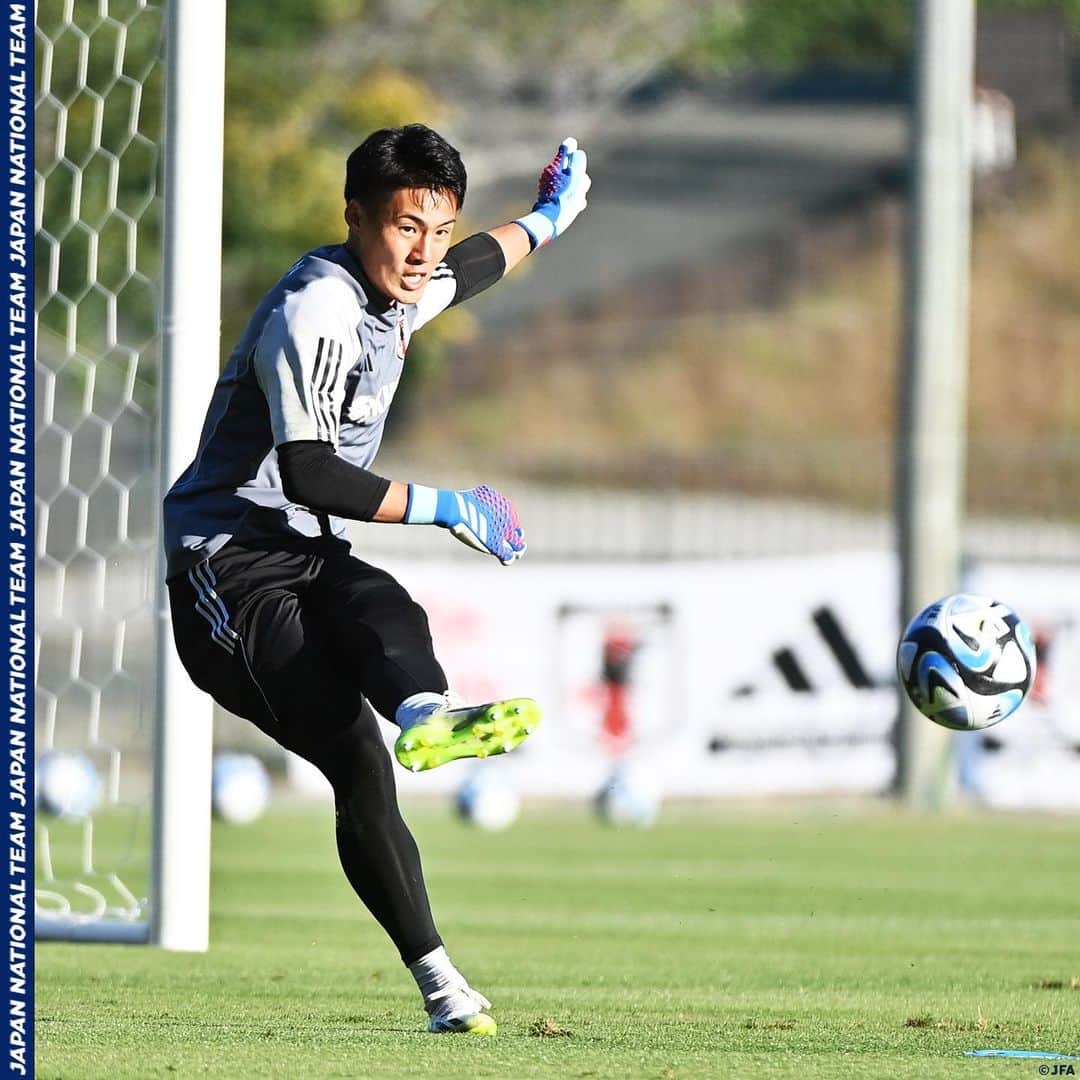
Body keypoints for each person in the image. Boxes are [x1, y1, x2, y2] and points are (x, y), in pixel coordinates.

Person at [162, 124, 591, 1035]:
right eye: (404, 227)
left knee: (381, 603)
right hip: (225, 570)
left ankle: (428, 715)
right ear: (356, 218)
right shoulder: (312, 308)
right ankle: (440, 980)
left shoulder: (402, 286)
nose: (422, 250)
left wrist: (550, 217)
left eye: (435, 228)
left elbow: (473, 264)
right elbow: (312, 470)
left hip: (304, 550)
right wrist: (448, 506)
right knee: (351, 751)